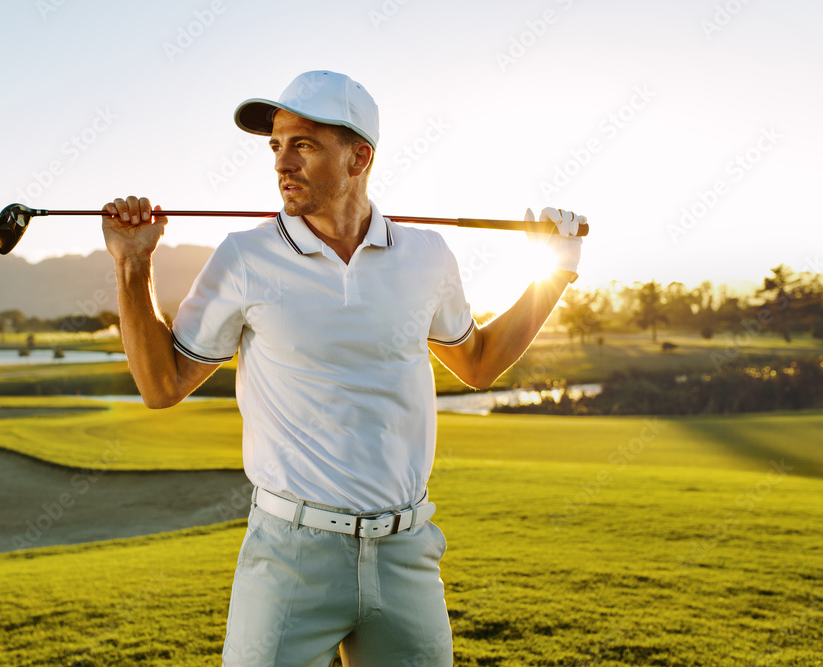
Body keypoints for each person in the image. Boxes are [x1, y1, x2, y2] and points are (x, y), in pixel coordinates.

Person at [101, 70, 585, 667]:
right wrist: (132, 267)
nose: (281, 163)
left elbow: (479, 364)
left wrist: (556, 272)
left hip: (405, 551)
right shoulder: (245, 257)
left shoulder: (426, 256)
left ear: (360, 157)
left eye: (302, 144)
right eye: (275, 146)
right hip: (290, 556)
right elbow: (162, 385)